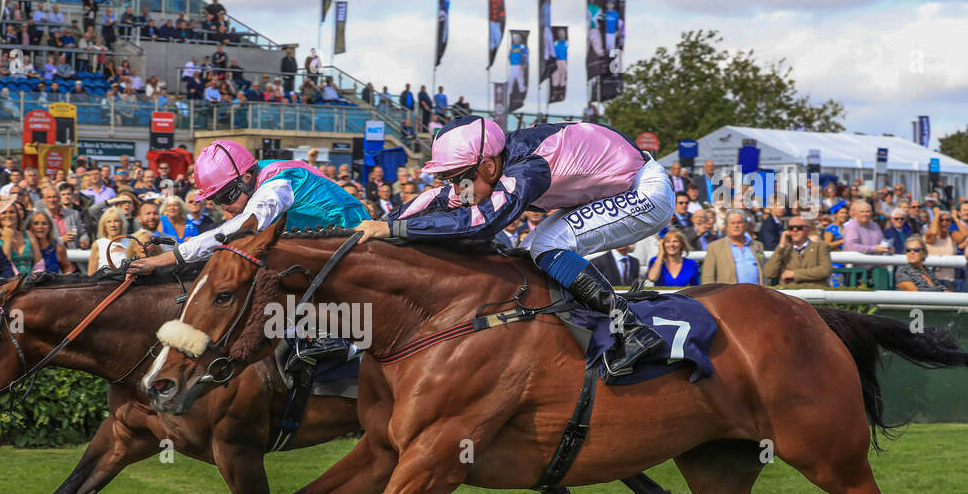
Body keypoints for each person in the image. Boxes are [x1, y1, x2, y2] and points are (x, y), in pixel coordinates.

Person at [353, 116, 675, 378]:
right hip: (607, 190)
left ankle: (632, 330)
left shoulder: (527, 168)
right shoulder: (487, 167)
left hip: (643, 191)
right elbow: (437, 199)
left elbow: (482, 222)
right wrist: (380, 225)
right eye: (451, 179)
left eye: (458, 179)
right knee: (526, 251)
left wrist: (395, 229)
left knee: (546, 246)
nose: (456, 188)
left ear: (488, 167)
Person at [130, 139, 368, 274]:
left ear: (246, 179)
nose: (225, 207)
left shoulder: (275, 187)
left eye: (227, 196)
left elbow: (242, 227)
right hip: (322, 244)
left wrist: (168, 258)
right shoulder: (256, 172)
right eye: (217, 201)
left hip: (356, 250)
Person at [763, 216, 833, 289]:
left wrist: (794, 274)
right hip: (790, 295)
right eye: (791, 228)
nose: (795, 230)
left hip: (814, 293)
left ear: (808, 230)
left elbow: (825, 270)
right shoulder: (784, 250)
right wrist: (781, 246)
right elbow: (769, 273)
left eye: (799, 227)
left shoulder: (820, 246)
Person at [700, 210, 764, 285]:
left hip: (756, 293)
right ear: (727, 226)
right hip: (727, 294)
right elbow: (708, 277)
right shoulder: (714, 248)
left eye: (739, 223)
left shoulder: (757, 246)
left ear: (746, 225)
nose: (736, 226)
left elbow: (763, 268)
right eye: (732, 223)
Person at [0, 199, 36, 275]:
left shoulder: (28, 234)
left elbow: (39, 263)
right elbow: (4, 265)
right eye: (3, 213)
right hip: (7, 282)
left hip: (30, 282)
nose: (8, 215)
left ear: (17, 215)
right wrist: (8, 240)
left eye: (12, 212)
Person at [27, 208, 76, 274]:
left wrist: (68, 276)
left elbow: (66, 267)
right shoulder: (25, 248)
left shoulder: (58, 248)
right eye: (36, 223)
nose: (40, 226)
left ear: (49, 227)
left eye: (44, 223)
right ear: (30, 227)